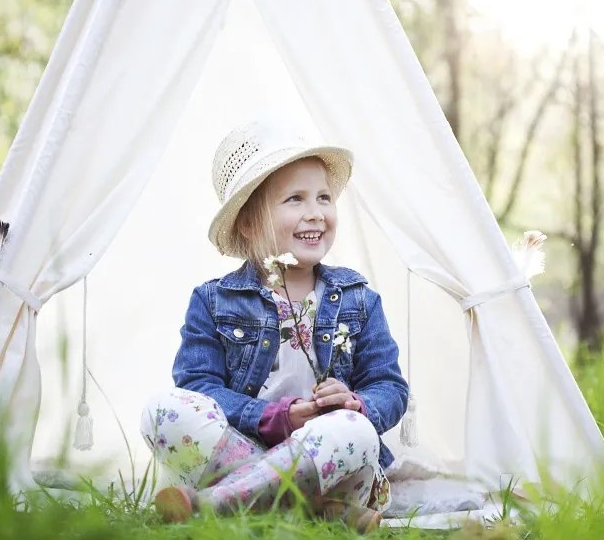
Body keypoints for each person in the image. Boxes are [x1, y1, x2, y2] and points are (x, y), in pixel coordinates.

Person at [140, 119, 408, 531]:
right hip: (240, 450)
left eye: (323, 197)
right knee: (162, 411)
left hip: (334, 466)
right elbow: (198, 386)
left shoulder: (359, 299)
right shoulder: (214, 301)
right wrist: (270, 418)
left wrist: (353, 403)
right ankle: (317, 511)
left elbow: (389, 388)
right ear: (248, 222)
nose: (316, 213)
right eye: (295, 199)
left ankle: (209, 505)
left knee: (353, 430)